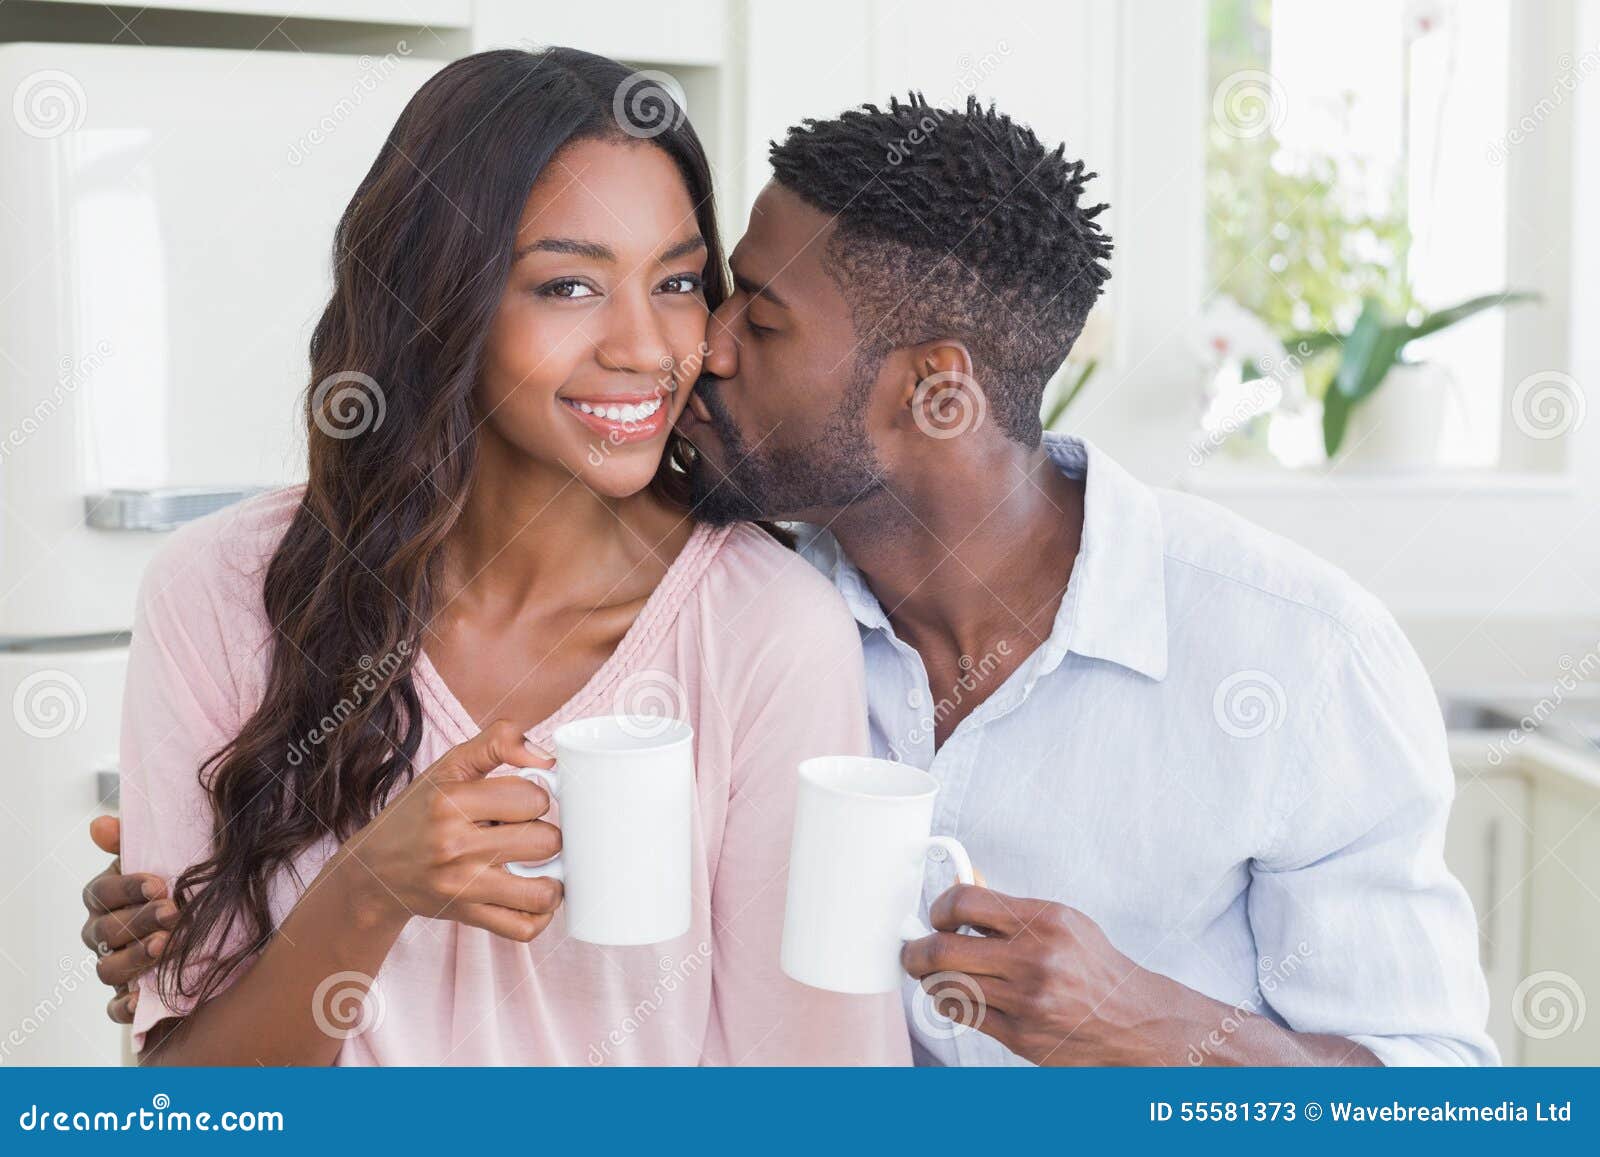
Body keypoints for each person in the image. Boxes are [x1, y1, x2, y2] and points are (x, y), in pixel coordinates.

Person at [85, 91, 1497, 1068]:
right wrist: (247, 877)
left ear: (930, 392)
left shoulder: (1292, 656)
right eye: (584, 284)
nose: (687, 351)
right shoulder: (768, 571)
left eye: (734, 308)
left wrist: (1158, 1028)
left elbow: (1443, 1102)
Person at [83, 47, 907, 1066]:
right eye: (568, 286)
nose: (647, 347)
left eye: (679, 280)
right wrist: (372, 887)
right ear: (440, 299)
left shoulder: (767, 630)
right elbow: (186, 1104)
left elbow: (810, 1080)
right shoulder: (218, 591)